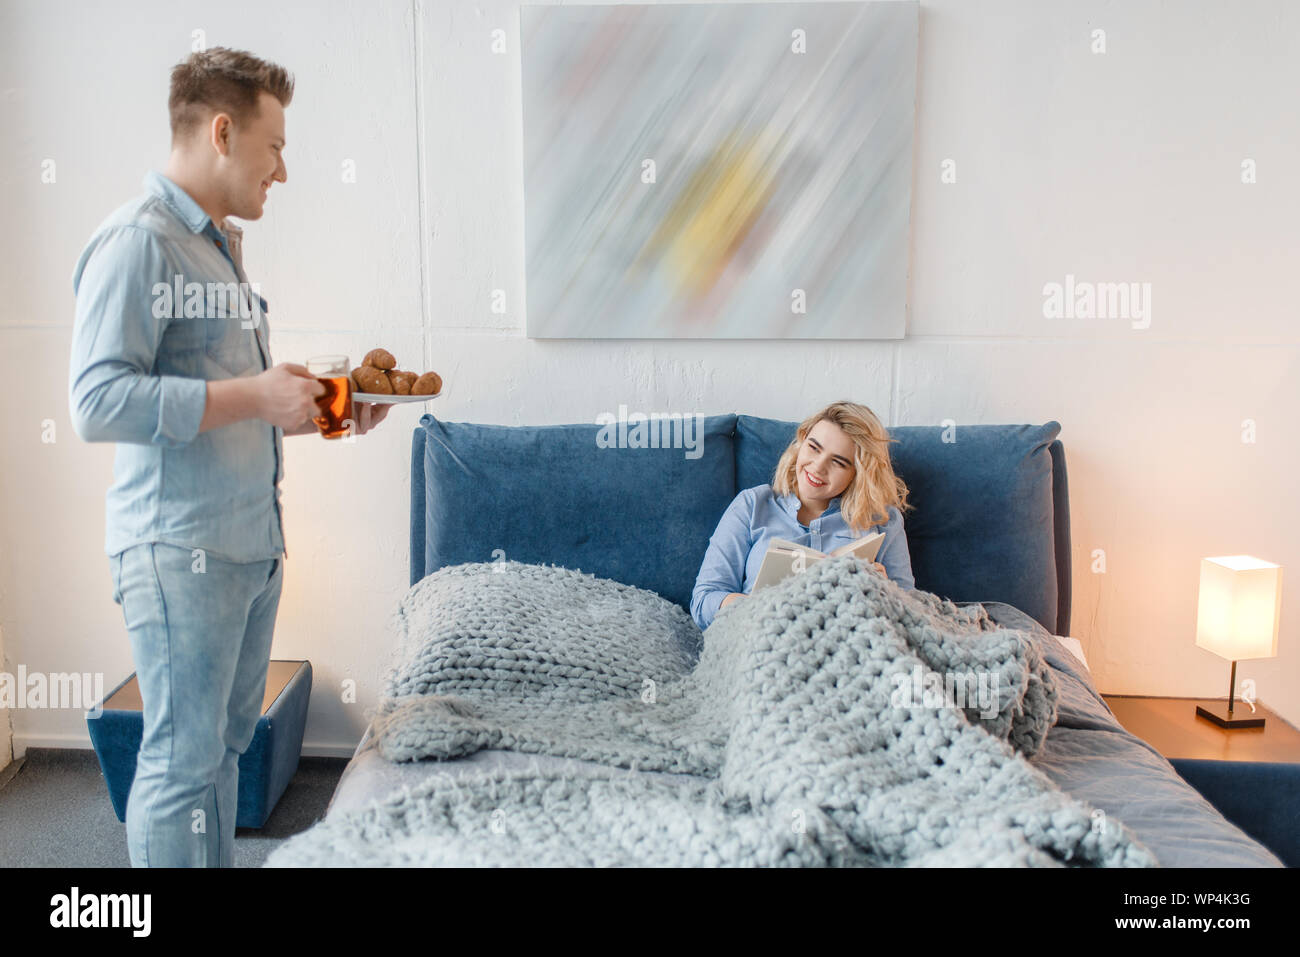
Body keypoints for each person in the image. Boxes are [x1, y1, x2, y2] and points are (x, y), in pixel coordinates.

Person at [68, 47, 389, 867]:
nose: (283, 167)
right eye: (274, 144)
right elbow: (96, 402)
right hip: (179, 550)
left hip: (249, 548)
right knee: (180, 762)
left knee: (219, 757)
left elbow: (232, 403)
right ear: (221, 130)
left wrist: (334, 410)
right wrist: (253, 396)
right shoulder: (138, 244)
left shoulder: (217, 252)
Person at [690, 401, 915, 631]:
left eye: (838, 462)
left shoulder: (884, 521)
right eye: (814, 448)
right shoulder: (752, 506)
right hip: (762, 639)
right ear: (801, 441)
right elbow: (703, 602)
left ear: (858, 474)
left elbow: (913, 614)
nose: (818, 467)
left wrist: (886, 593)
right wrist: (762, 608)